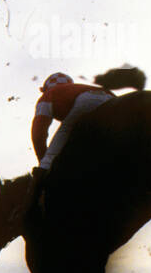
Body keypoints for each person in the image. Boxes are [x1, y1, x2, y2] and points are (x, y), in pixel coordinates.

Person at [27, 72, 116, 205]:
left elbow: (38, 133)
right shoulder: (77, 89)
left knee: (50, 158)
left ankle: (30, 207)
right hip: (112, 99)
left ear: (45, 88)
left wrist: (43, 160)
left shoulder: (48, 95)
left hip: (87, 102)